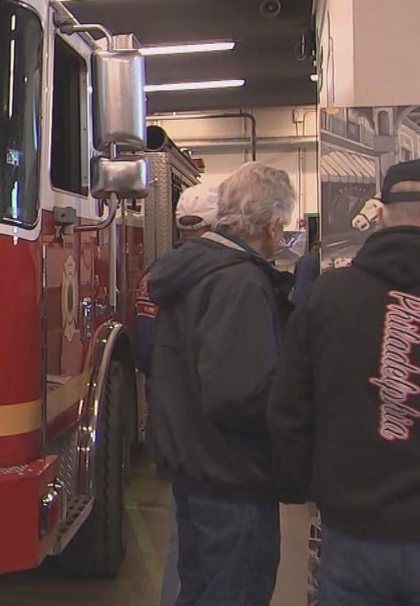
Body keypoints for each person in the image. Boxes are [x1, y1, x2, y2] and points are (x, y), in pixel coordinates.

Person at [269, 159, 420, 606]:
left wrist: (306, 488)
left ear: (382, 213)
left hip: (352, 529)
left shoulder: (328, 294)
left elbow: (289, 411)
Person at [145, 162, 296, 606]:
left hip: (193, 468)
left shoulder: (190, 272)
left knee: (195, 587)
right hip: (234, 476)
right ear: (270, 224)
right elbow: (240, 393)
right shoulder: (242, 283)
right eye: (281, 227)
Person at [132, 181, 220, 606]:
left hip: (169, 425)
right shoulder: (230, 277)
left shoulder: (155, 276)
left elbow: (145, 350)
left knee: (182, 542)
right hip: (217, 439)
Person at [291, 239, 321, 307]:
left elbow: (295, 278)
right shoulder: (317, 260)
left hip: (296, 298)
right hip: (308, 299)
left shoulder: (301, 259)